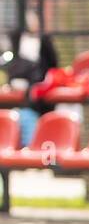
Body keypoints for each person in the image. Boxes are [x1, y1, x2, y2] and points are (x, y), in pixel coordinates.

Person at [4, 8, 60, 145]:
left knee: (29, 117)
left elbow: (53, 65)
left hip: (36, 96)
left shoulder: (44, 41)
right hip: (18, 93)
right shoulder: (17, 39)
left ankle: (31, 149)